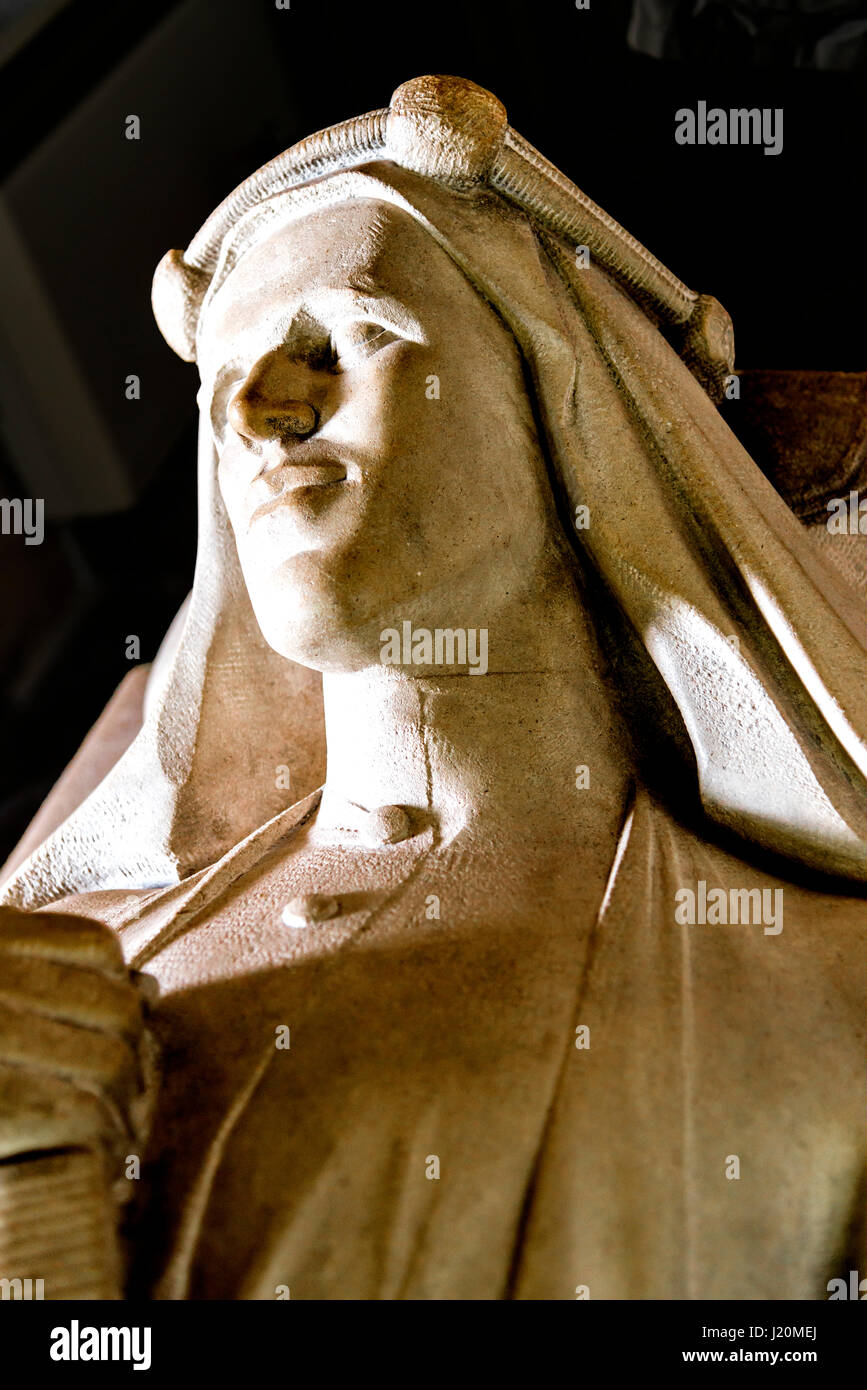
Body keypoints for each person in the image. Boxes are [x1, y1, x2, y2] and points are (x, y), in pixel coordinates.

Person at [2, 75, 867, 1300]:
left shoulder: (827, 1003)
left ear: (564, 401)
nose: (256, 413)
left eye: (346, 335)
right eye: (223, 384)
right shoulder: (76, 949)